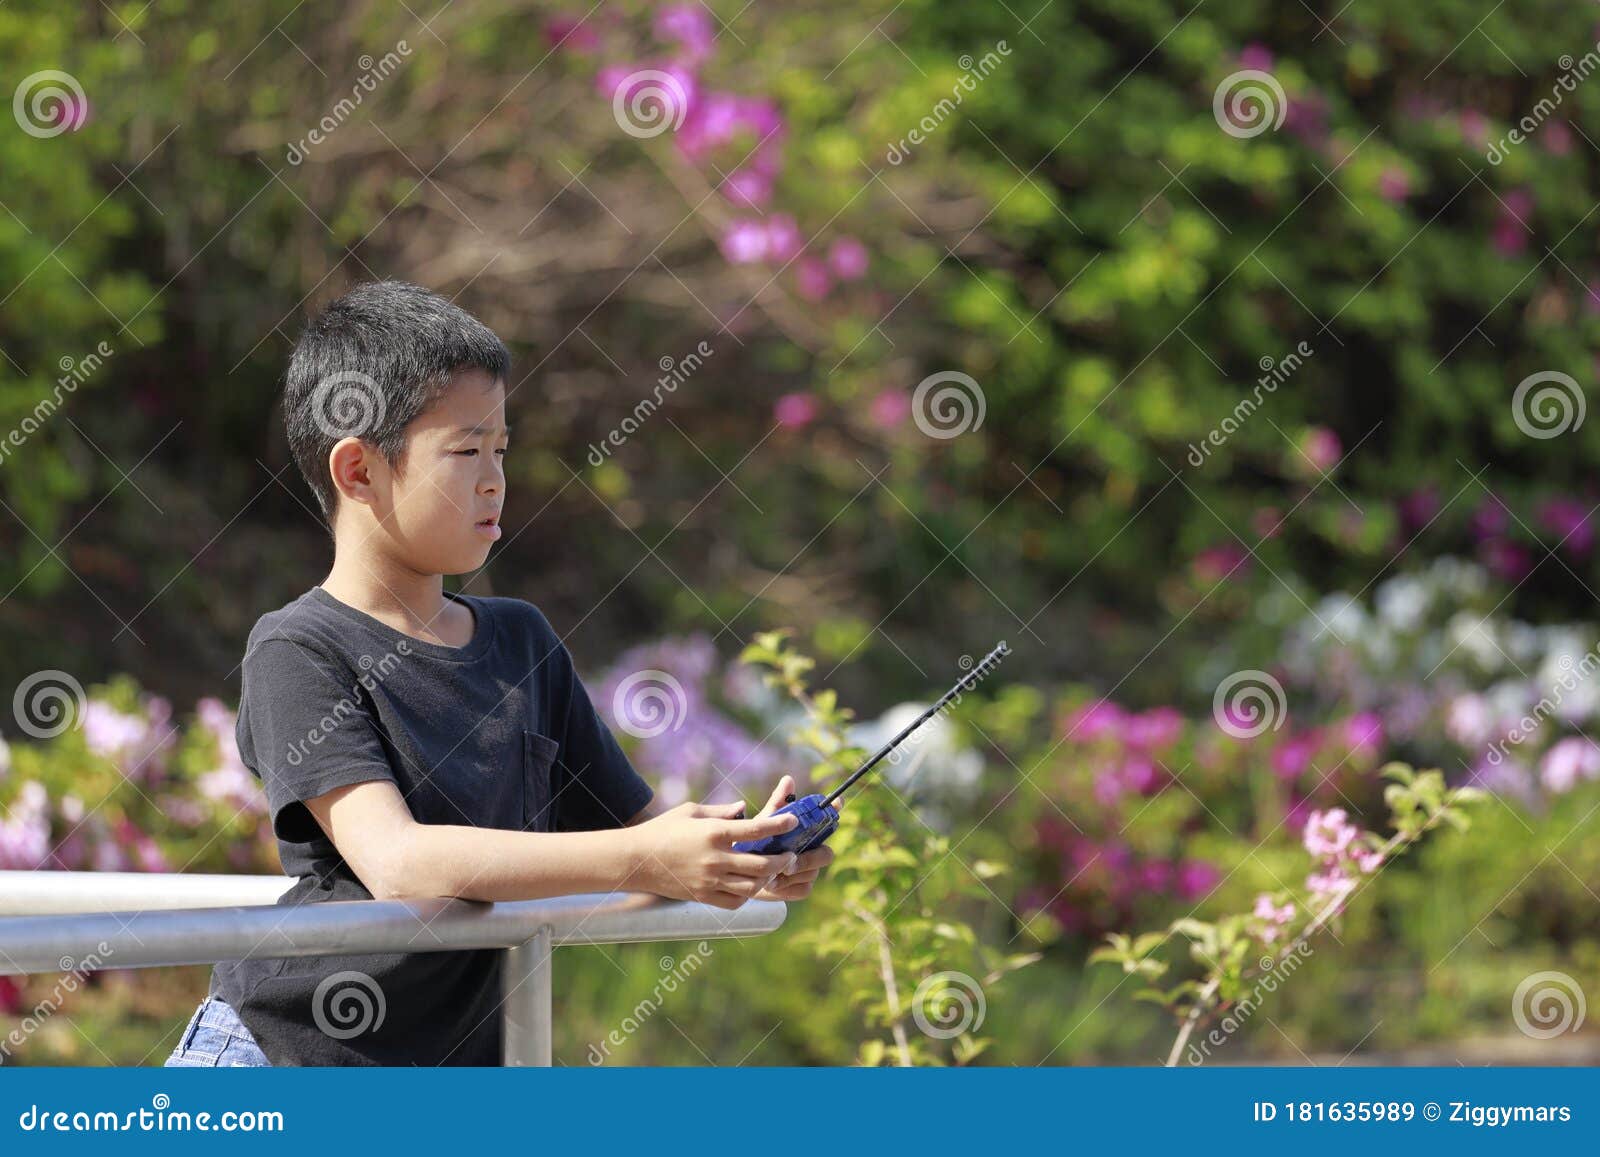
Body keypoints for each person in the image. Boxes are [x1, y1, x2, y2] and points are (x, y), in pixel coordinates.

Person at [165, 281, 830, 1067]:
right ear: (357, 470)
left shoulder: (523, 641)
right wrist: (644, 856)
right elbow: (404, 865)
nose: (493, 479)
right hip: (278, 1062)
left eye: (501, 450)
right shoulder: (297, 651)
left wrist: (742, 851)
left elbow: (642, 847)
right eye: (465, 450)